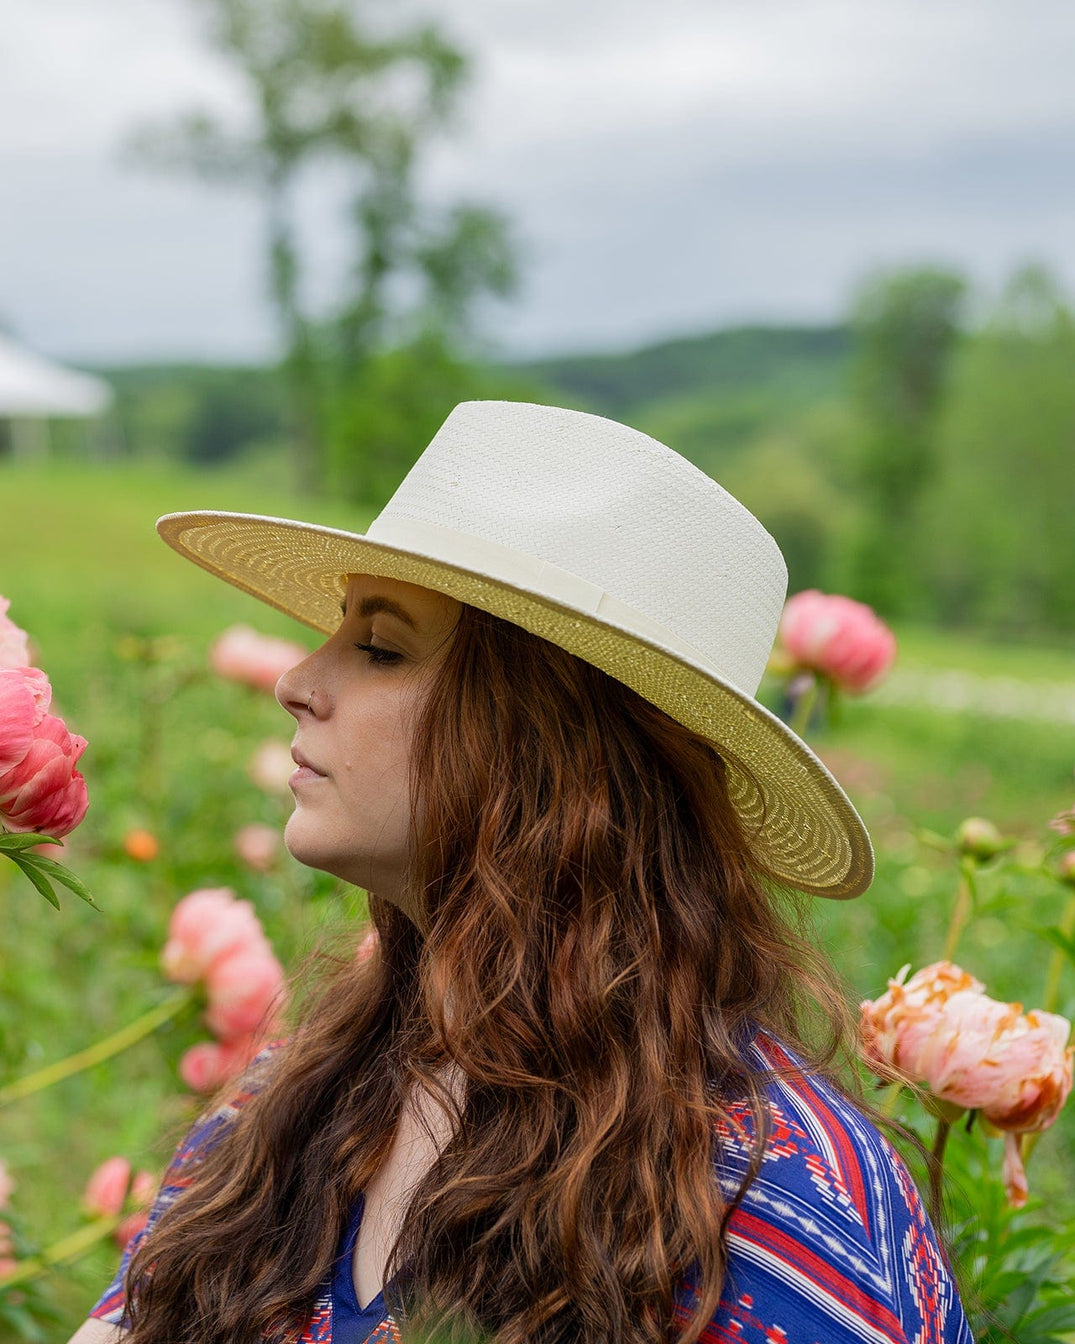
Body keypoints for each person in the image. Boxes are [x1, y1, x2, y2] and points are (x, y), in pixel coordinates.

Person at [71, 401, 972, 1344]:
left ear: (548, 744)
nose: (297, 679)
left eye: (379, 645)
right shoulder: (296, 1102)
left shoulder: (770, 1210)